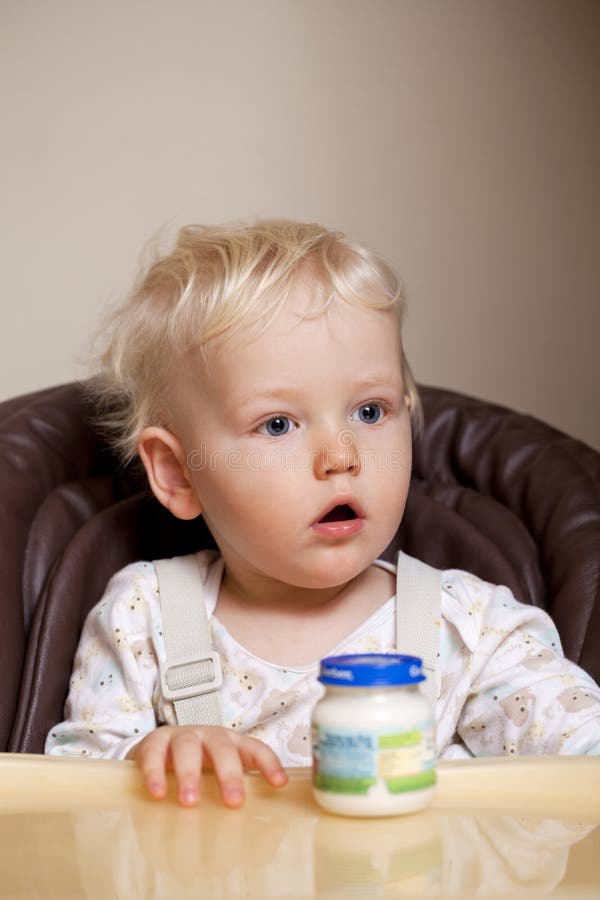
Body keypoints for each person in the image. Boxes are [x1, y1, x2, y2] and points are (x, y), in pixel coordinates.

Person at [46, 220, 600, 808]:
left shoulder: (472, 631)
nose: (341, 457)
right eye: (278, 424)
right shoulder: (143, 620)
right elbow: (68, 802)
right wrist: (143, 760)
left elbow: (582, 760)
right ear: (180, 474)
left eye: (369, 411)